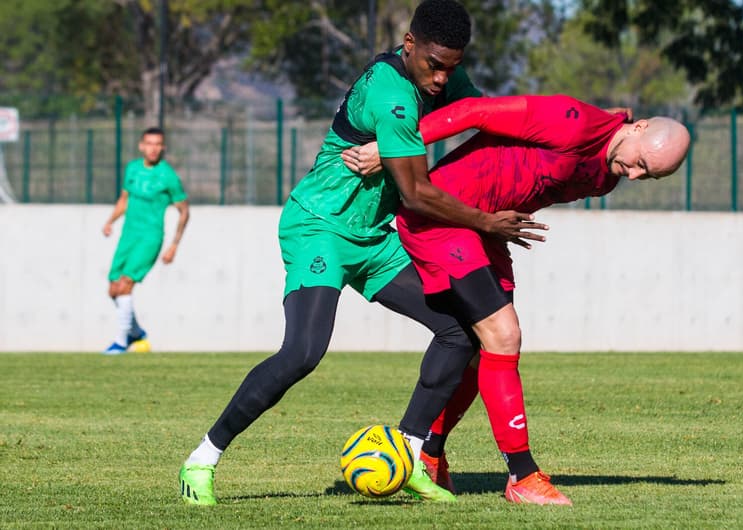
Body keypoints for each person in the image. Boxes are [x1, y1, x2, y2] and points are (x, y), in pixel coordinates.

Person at [177, 0, 546, 506]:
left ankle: (410, 454)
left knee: (459, 330)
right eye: (434, 65)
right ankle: (203, 458)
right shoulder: (391, 92)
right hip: (320, 227)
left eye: (452, 68)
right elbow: (416, 194)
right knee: (302, 353)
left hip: (374, 236)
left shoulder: (440, 80)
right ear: (409, 44)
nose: (441, 79)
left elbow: (486, 118)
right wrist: (486, 221)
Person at [390, 94, 690, 505]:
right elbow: (475, 111)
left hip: (488, 229)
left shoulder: (607, 174)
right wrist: (390, 150)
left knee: (479, 352)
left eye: (648, 176)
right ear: (639, 127)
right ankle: (522, 475)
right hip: (444, 216)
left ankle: (428, 454)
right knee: (503, 334)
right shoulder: (573, 121)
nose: (635, 176)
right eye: (641, 163)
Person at [102, 127, 189, 355]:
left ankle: (121, 342)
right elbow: (124, 199)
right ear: (141, 145)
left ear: (163, 147)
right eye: (149, 143)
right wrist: (110, 220)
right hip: (128, 236)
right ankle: (136, 332)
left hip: (150, 238)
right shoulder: (132, 168)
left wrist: (174, 245)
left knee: (125, 285)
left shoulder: (168, 176)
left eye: (158, 144)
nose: (154, 148)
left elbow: (184, 211)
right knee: (113, 289)